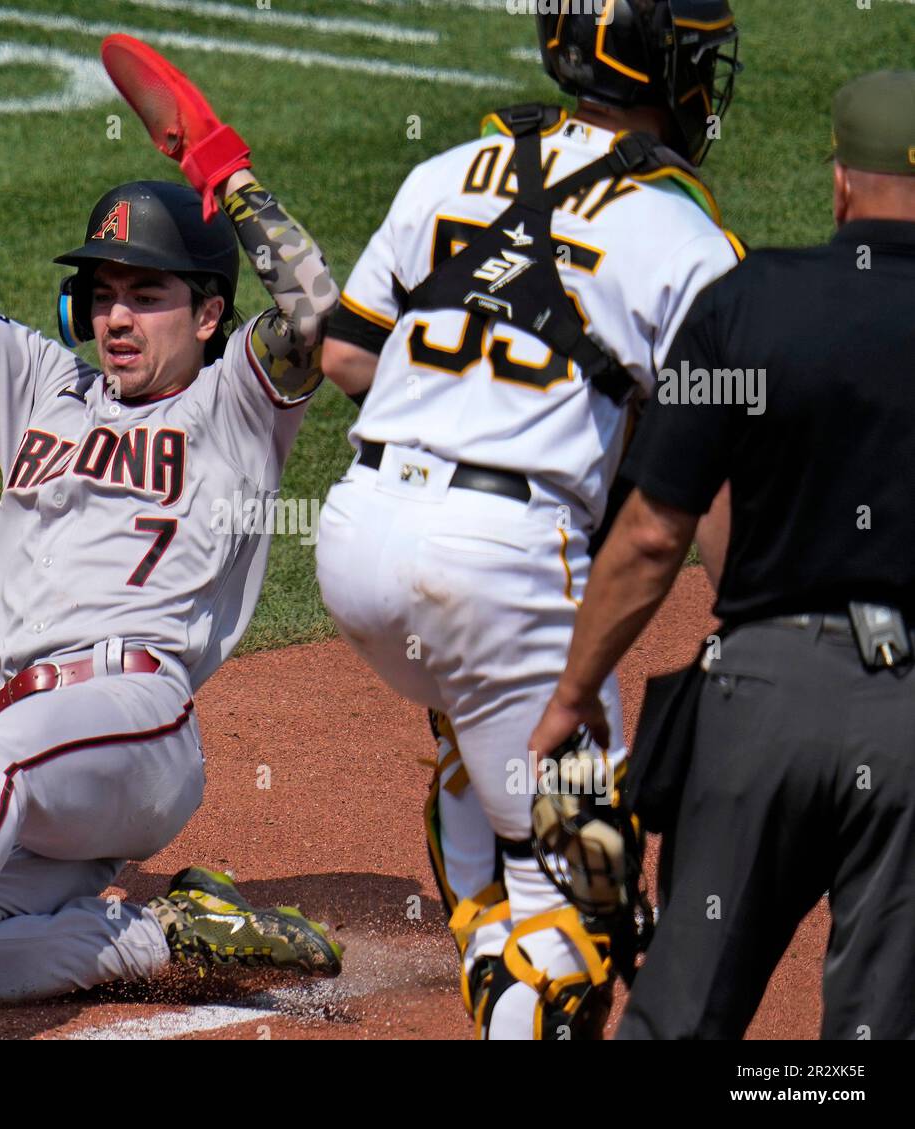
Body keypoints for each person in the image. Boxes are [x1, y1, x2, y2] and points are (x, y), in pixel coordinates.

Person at [0, 12, 342, 1003]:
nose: (115, 316)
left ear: (209, 312)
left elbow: (311, 316)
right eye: (101, 292)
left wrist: (230, 175)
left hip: (134, 725)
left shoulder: (233, 406)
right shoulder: (44, 386)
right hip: (47, 760)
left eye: (146, 293)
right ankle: (166, 934)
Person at [315, 0, 743, 1038]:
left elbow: (344, 358)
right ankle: (521, 982)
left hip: (355, 544)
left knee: (488, 737)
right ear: (659, 64)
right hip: (501, 574)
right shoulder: (690, 237)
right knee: (589, 915)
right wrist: (747, 620)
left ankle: (488, 912)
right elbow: (713, 473)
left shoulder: (447, 172)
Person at [530, 69, 915, 1041]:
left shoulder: (749, 302)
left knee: (677, 1018)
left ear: (839, 183)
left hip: (762, 704)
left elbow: (655, 531)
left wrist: (573, 697)